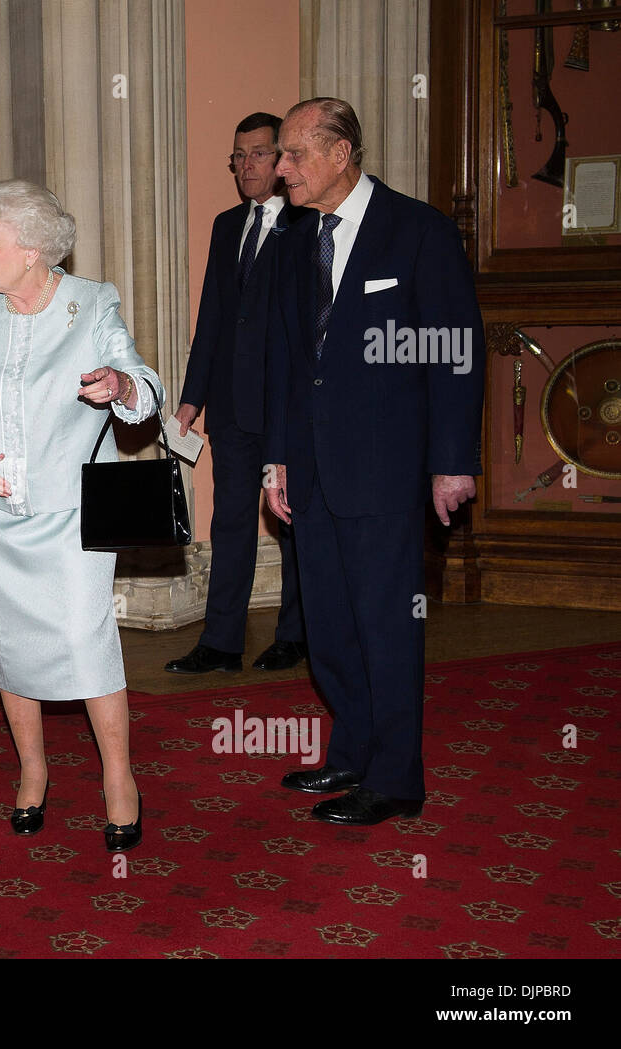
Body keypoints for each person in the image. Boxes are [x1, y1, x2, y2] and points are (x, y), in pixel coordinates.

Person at [263, 98, 484, 825]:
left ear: (341, 153)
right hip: (314, 467)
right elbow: (293, 366)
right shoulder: (296, 242)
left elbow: (455, 352)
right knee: (329, 623)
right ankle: (352, 750)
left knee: (387, 623)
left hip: (389, 467)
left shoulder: (419, 232)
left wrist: (452, 463)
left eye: (294, 153)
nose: (280, 168)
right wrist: (277, 461)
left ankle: (396, 778)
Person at [0, 179, 165, 852]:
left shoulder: (91, 303)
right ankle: (32, 770)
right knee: (13, 642)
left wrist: (121, 385)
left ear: (31, 250)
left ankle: (118, 778)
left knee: (83, 637)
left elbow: (143, 386)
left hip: (72, 511)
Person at [165, 112, 307, 677]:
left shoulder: (306, 226)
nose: (247, 167)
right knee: (229, 524)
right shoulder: (228, 226)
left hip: (288, 410)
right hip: (230, 409)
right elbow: (213, 322)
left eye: (258, 154)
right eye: (238, 157)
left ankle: (296, 635)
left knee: (292, 523)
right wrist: (189, 402)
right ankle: (221, 641)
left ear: (282, 160)